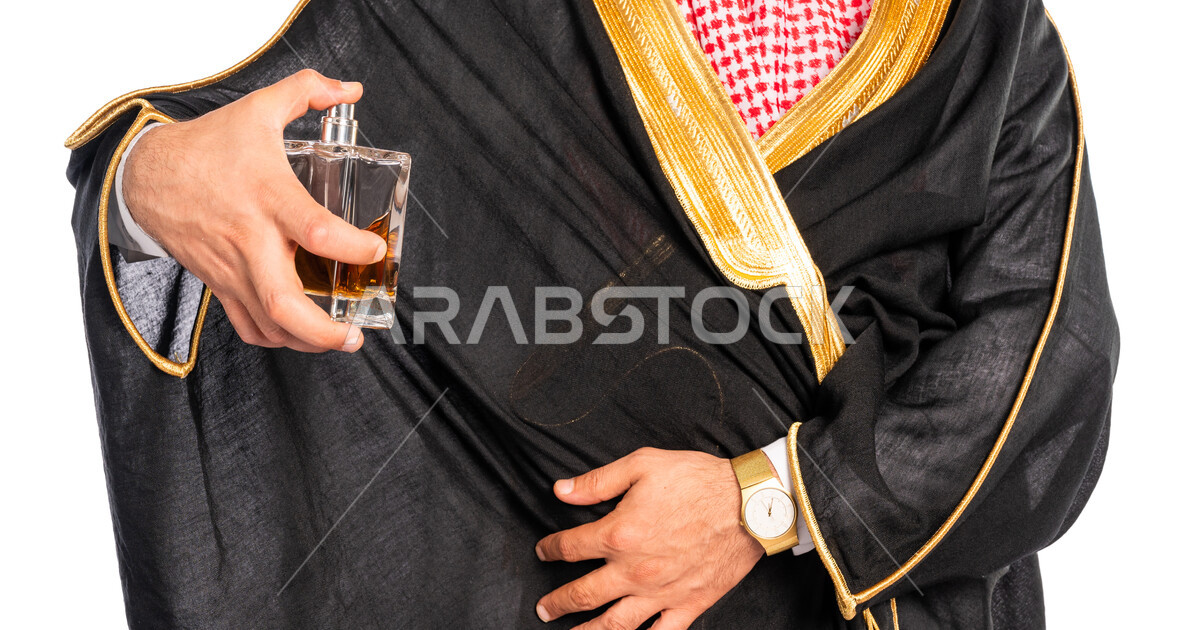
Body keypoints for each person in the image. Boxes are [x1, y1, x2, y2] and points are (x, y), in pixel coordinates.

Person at [65, 0, 1118, 628]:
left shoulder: (994, 38)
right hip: (499, 583)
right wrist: (151, 180)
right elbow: (273, 162)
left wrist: (766, 503)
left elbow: (1040, 371)